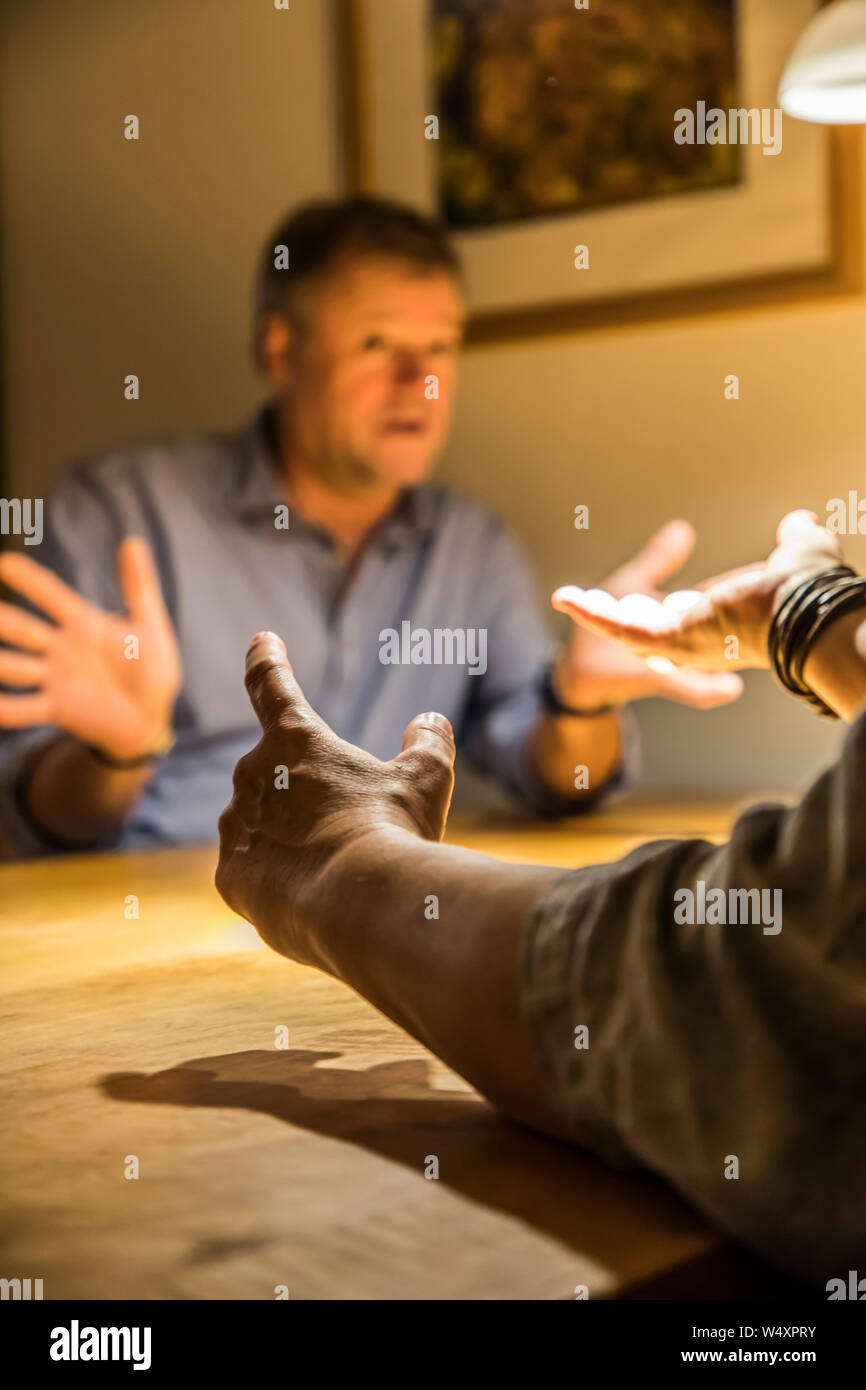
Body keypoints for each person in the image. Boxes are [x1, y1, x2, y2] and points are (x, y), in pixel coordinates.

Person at [214, 510, 866, 1286]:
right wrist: (820, 620)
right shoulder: (139, 499)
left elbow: (752, 993)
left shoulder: (468, 542)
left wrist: (335, 864)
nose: (421, 383)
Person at [0, 196, 740, 858]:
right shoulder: (124, 509)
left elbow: (557, 779)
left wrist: (576, 702)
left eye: (442, 348)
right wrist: (116, 756)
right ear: (282, 351)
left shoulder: (470, 546)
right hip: (147, 927)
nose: (419, 382)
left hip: (377, 932)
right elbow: (47, 814)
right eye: (378, 345)